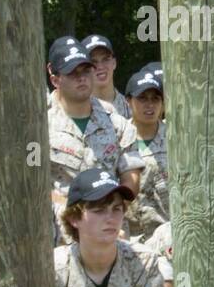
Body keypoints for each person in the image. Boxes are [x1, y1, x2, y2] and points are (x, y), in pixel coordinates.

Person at [47, 36, 143, 207]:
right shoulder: (37, 127)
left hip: (109, 226)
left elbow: (131, 177)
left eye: (86, 70)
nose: (81, 77)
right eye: (72, 72)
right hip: (59, 228)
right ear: (55, 80)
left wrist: (108, 208)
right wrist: (76, 213)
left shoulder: (118, 125)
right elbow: (31, 183)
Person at [119, 67, 169, 243]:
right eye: (142, 98)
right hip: (127, 238)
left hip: (168, 237)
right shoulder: (116, 137)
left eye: (155, 99)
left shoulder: (176, 138)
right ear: (128, 101)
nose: (150, 105)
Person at [81, 34, 131, 119]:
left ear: (114, 63)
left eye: (105, 59)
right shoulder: (77, 109)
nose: (100, 66)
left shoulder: (131, 108)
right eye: (93, 62)